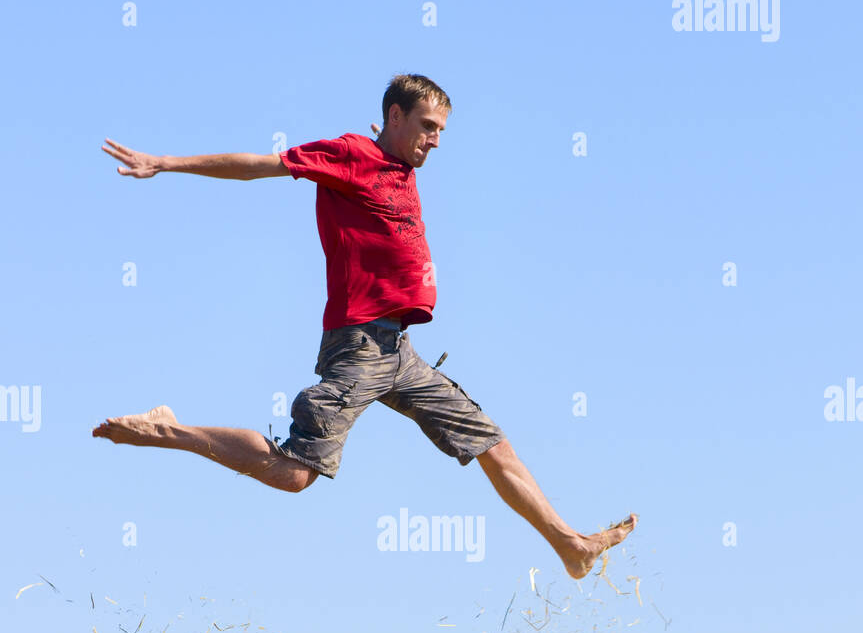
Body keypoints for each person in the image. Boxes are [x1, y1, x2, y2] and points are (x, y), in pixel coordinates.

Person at [94, 73, 635, 579]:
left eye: (442, 131)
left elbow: (389, 163)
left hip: (399, 352)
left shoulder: (397, 164)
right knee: (294, 475)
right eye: (427, 127)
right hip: (358, 348)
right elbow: (258, 165)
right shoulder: (353, 154)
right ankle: (167, 430)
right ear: (395, 117)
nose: (436, 141)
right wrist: (163, 161)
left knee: (493, 444)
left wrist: (392, 142)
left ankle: (568, 543)